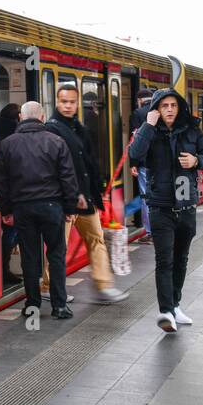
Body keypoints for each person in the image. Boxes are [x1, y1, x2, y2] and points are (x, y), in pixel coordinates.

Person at [128, 88, 203, 333]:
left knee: (181, 259)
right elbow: (134, 154)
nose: (169, 109)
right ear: (156, 110)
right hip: (160, 206)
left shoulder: (192, 132)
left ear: (179, 108)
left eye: (173, 105)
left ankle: (176, 305)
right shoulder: (148, 133)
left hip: (186, 205)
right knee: (164, 260)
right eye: (164, 106)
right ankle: (166, 311)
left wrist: (196, 161)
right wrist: (148, 126)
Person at [0, 100, 80, 319]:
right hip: (52, 207)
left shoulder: (7, 144)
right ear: (42, 117)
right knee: (56, 255)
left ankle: (32, 305)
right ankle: (60, 306)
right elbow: (68, 178)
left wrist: (5, 210)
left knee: (29, 257)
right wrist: (69, 207)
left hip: (23, 208)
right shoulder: (57, 142)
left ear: (21, 118)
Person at [45, 84, 129, 303]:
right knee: (58, 247)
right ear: (57, 101)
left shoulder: (79, 128)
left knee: (97, 240)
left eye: (72, 102)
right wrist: (69, 197)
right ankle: (47, 286)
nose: (68, 106)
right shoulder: (51, 129)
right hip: (65, 201)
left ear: (77, 103)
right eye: (64, 102)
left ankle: (104, 285)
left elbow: (88, 162)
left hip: (85, 199)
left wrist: (97, 190)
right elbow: (54, 168)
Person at [0, 102, 21, 286]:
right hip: (15, 196)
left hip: (4, 196)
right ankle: (3, 270)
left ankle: (4, 269)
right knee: (11, 235)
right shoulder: (14, 136)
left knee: (10, 234)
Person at [126, 86, 155, 226]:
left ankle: (150, 231)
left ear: (139, 100)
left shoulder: (138, 113)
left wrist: (133, 163)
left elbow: (135, 141)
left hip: (145, 163)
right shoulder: (159, 111)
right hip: (160, 163)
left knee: (145, 196)